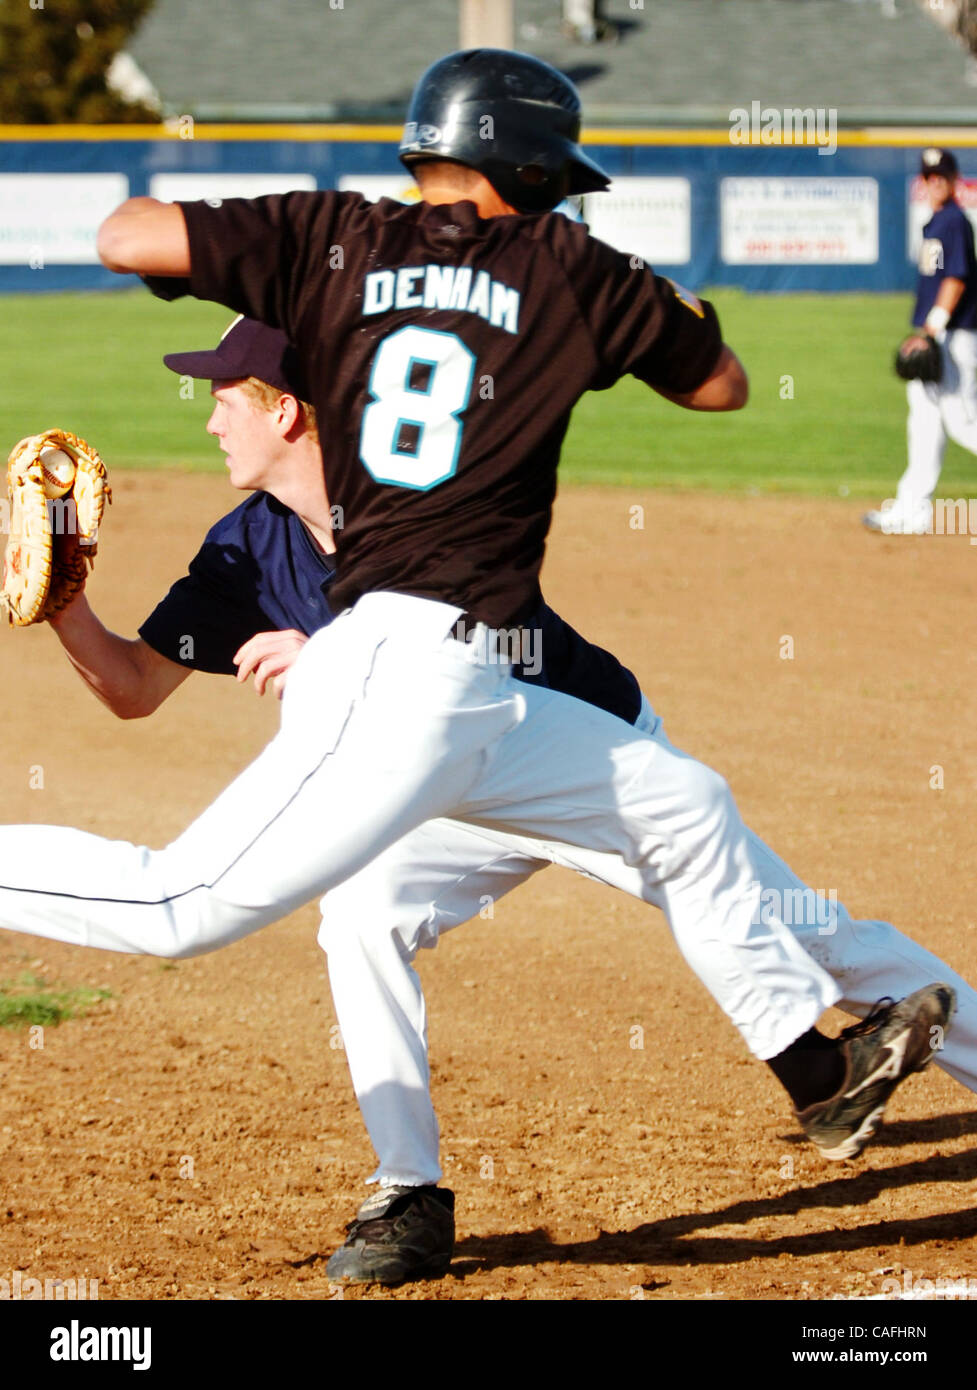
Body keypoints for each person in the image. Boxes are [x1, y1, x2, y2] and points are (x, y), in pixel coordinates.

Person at [0, 50, 953, 1283]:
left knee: (685, 805)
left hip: (485, 693)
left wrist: (273, 245)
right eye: (553, 181)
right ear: (527, 170)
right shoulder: (569, 268)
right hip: (403, 666)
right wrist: (677, 314)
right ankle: (413, 1185)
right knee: (186, 906)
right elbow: (718, 385)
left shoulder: (329, 237)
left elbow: (130, 234)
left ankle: (816, 1072)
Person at [864, 148, 977, 535]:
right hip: (939, 332)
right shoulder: (937, 222)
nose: (936, 182)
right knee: (924, 424)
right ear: (923, 182)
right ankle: (912, 511)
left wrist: (932, 327)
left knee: (962, 421)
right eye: (930, 177)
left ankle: (912, 511)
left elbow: (956, 278)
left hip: (953, 335)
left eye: (942, 175)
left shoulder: (954, 222)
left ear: (954, 178)